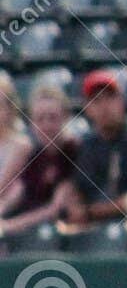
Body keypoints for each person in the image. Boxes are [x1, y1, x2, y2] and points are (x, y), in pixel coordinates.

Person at [61, 70, 127, 225]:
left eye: (110, 97)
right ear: (88, 108)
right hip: (94, 230)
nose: (105, 106)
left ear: (121, 102)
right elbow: (78, 191)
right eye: (97, 100)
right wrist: (76, 208)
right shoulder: (87, 147)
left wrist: (91, 212)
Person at [0, 81, 76, 248]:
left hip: (57, 238)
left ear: (66, 117)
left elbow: (54, 209)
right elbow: (17, 192)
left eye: (53, 117)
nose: (46, 125)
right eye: (40, 119)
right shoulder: (35, 155)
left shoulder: (74, 152)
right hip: (28, 233)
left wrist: (9, 225)